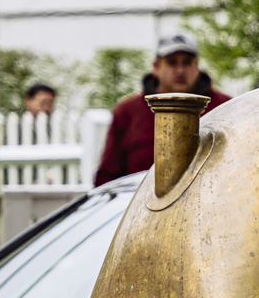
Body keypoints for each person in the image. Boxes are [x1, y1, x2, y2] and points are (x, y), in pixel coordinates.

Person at [93, 32, 231, 186]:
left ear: (197, 66)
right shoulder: (127, 112)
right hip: (138, 204)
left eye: (186, 62)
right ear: (156, 67)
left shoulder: (225, 107)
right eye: (172, 62)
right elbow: (108, 177)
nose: (180, 70)